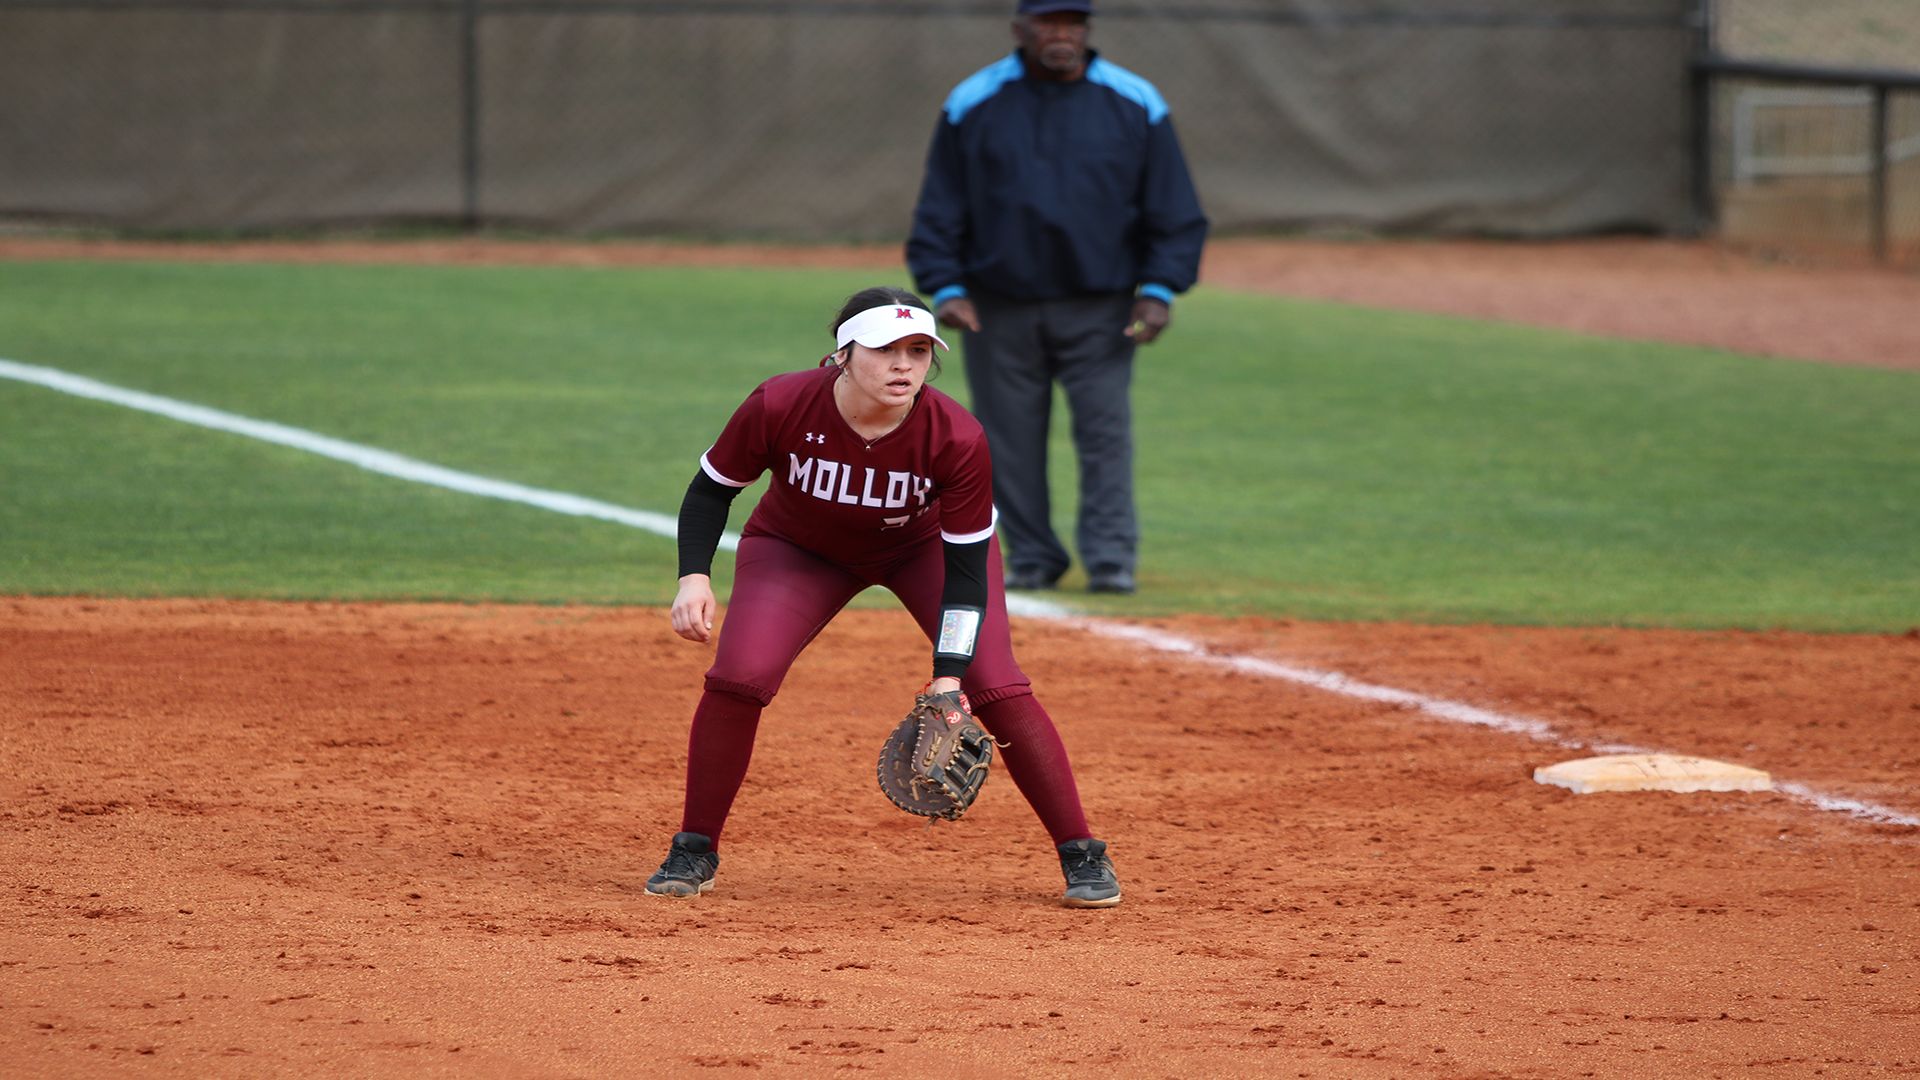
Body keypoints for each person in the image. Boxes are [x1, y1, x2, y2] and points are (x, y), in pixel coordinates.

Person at [645, 285, 1122, 909]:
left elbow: (968, 570)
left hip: (922, 552)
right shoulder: (780, 402)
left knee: (996, 682)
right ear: (842, 354)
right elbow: (713, 490)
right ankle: (694, 847)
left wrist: (949, 675)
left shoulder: (956, 436)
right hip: (799, 549)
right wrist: (694, 577)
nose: (903, 365)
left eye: (919, 350)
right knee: (740, 674)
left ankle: (1082, 854)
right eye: (884, 349)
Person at [907, 0, 1208, 595]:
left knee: (1104, 434)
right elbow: (942, 203)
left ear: (1088, 31)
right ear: (1020, 29)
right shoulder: (974, 100)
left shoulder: (1134, 100)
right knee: (1007, 441)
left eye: (1073, 24)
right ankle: (1033, 557)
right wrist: (946, 285)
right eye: (1048, 23)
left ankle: (1111, 559)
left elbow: (1172, 203)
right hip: (997, 306)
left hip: (1102, 305)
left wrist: (1159, 288)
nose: (1061, 35)